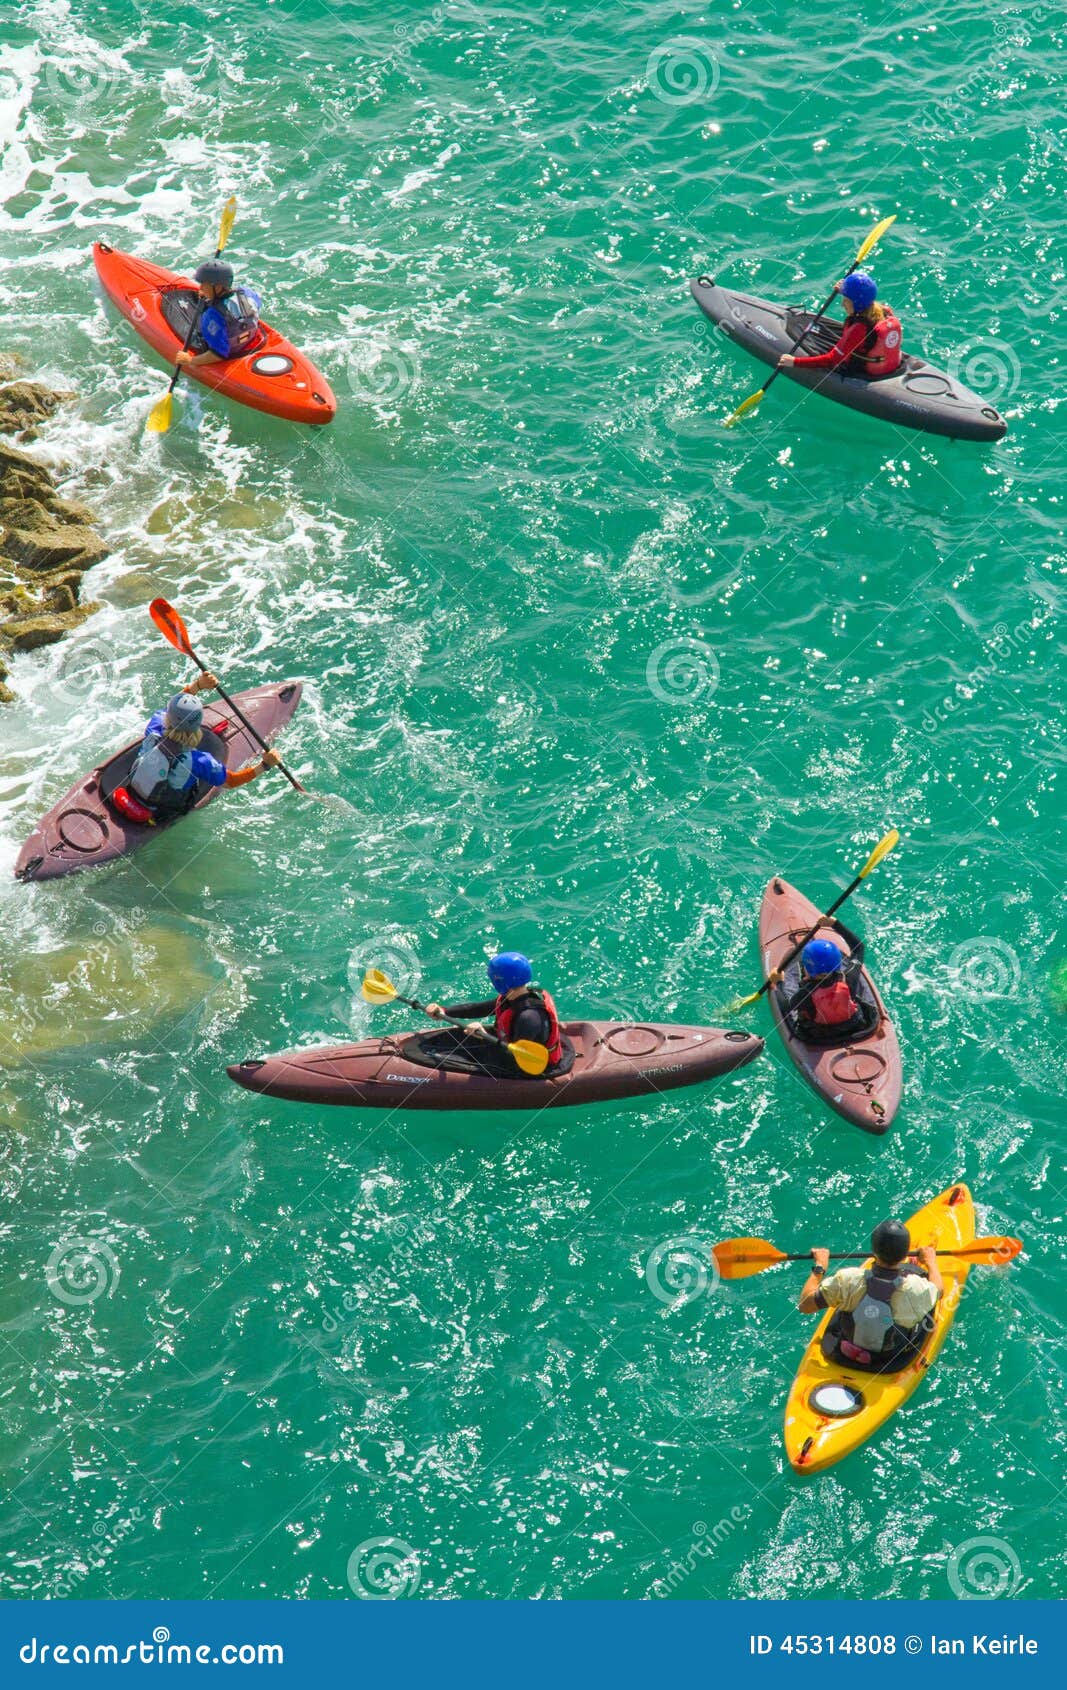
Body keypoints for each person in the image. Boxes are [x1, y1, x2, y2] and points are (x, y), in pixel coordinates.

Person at [110, 673, 281, 823]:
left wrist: (197, 685)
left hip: (130, 793)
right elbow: (231, 782)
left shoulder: (155, 727)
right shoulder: (199, 761)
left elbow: (173, 706)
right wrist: (264, 765)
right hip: (159, 812)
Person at [798, 1219, 943, 1373]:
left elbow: (805, 1305)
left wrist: (819, 1267)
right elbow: (939, 1290)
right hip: (888, 1360)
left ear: (874, 1252)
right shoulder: (916, 1288)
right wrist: (931, 1262)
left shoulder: (847, 1279)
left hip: (844, 1351)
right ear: (904, 1256)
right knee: (927, 1309)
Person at [424, 952, 565, 1078]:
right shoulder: (512, 996)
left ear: (500, 981)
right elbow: (477, 1009)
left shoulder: (528, 1018)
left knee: (449, 1057)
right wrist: (445, 1010)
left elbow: (513, 1058)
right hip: (508, 1047)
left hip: (527, 1066)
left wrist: (483, 1036)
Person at [777, 272, 903, 379]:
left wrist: (794, 362)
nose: (843, 304)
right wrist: (844, 289)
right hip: (891, 363)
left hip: (867, 370)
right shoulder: (883, 311)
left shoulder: (859, 329)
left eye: (846, 300)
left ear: (857, 304)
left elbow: (832, 360)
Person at [769, 921, 872, 1042]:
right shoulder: (849, 976)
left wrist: (779, 982)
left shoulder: (805, 994)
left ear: (806, 967)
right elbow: (859, 947)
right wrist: (835, 924)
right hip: (855, 1026)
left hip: (821, 1035)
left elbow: (786, 1006)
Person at [174, 259, 263, 370]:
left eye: (204, 285)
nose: (200, 288)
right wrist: (208, 293)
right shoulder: (247, 293)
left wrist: (190, 360)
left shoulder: (212, 316)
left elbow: (218, 355)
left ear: (218, 287)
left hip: (230, 352)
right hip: (251, 340)